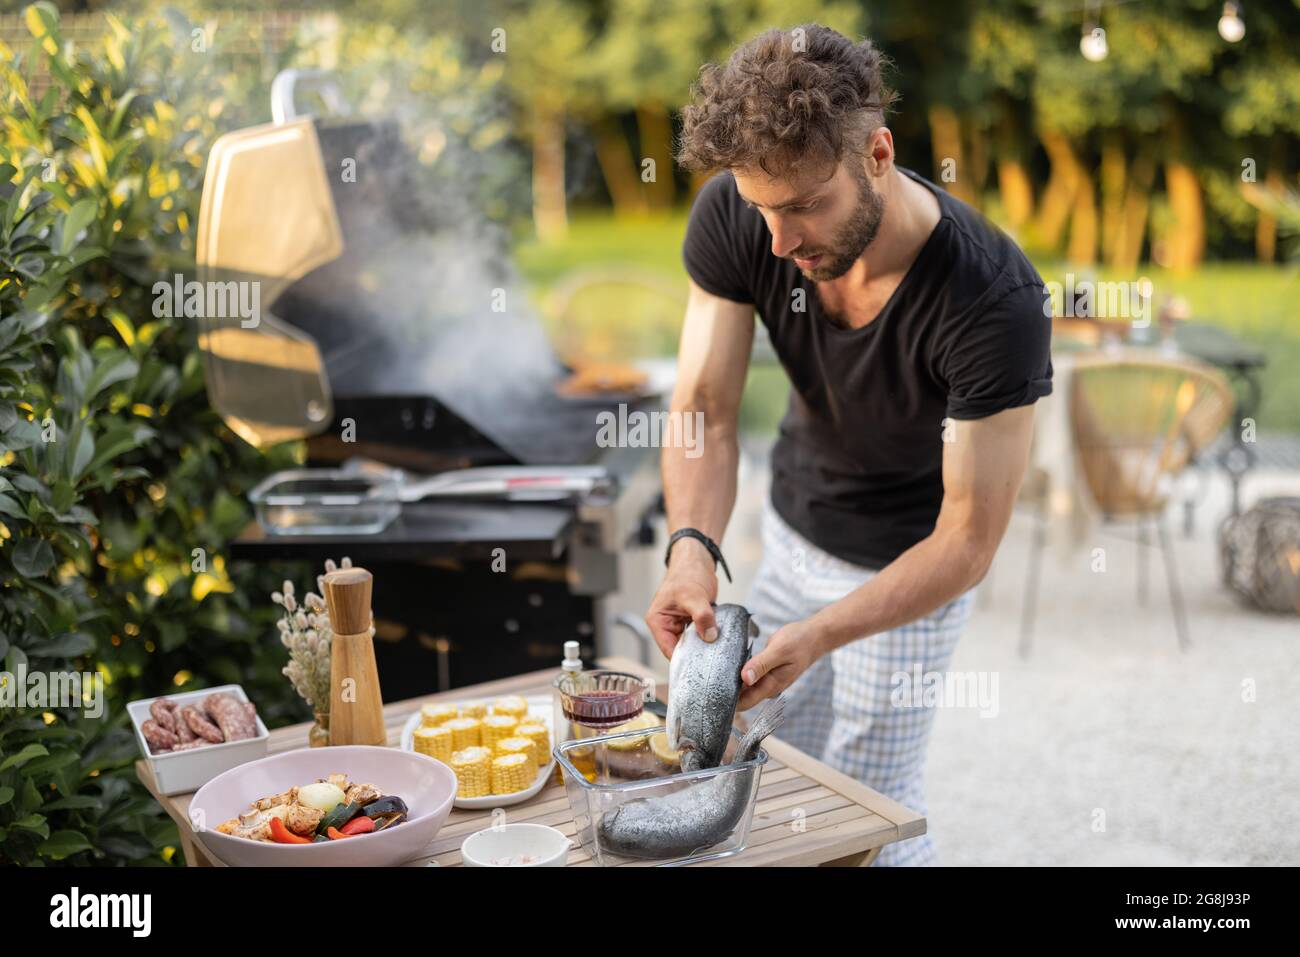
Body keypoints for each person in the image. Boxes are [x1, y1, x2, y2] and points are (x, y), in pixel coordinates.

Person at [645, 24, 1053, 865]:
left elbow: (969, 541)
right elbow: (703, 407)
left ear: (877, 153)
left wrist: (824, 632)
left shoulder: (992, 300)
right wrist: (691, 550)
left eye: (802, 207)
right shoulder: (738, 211)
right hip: (796, 530)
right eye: (762, 210)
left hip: (910, 569)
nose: (779, 244)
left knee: (868, 815)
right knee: (764, 780)